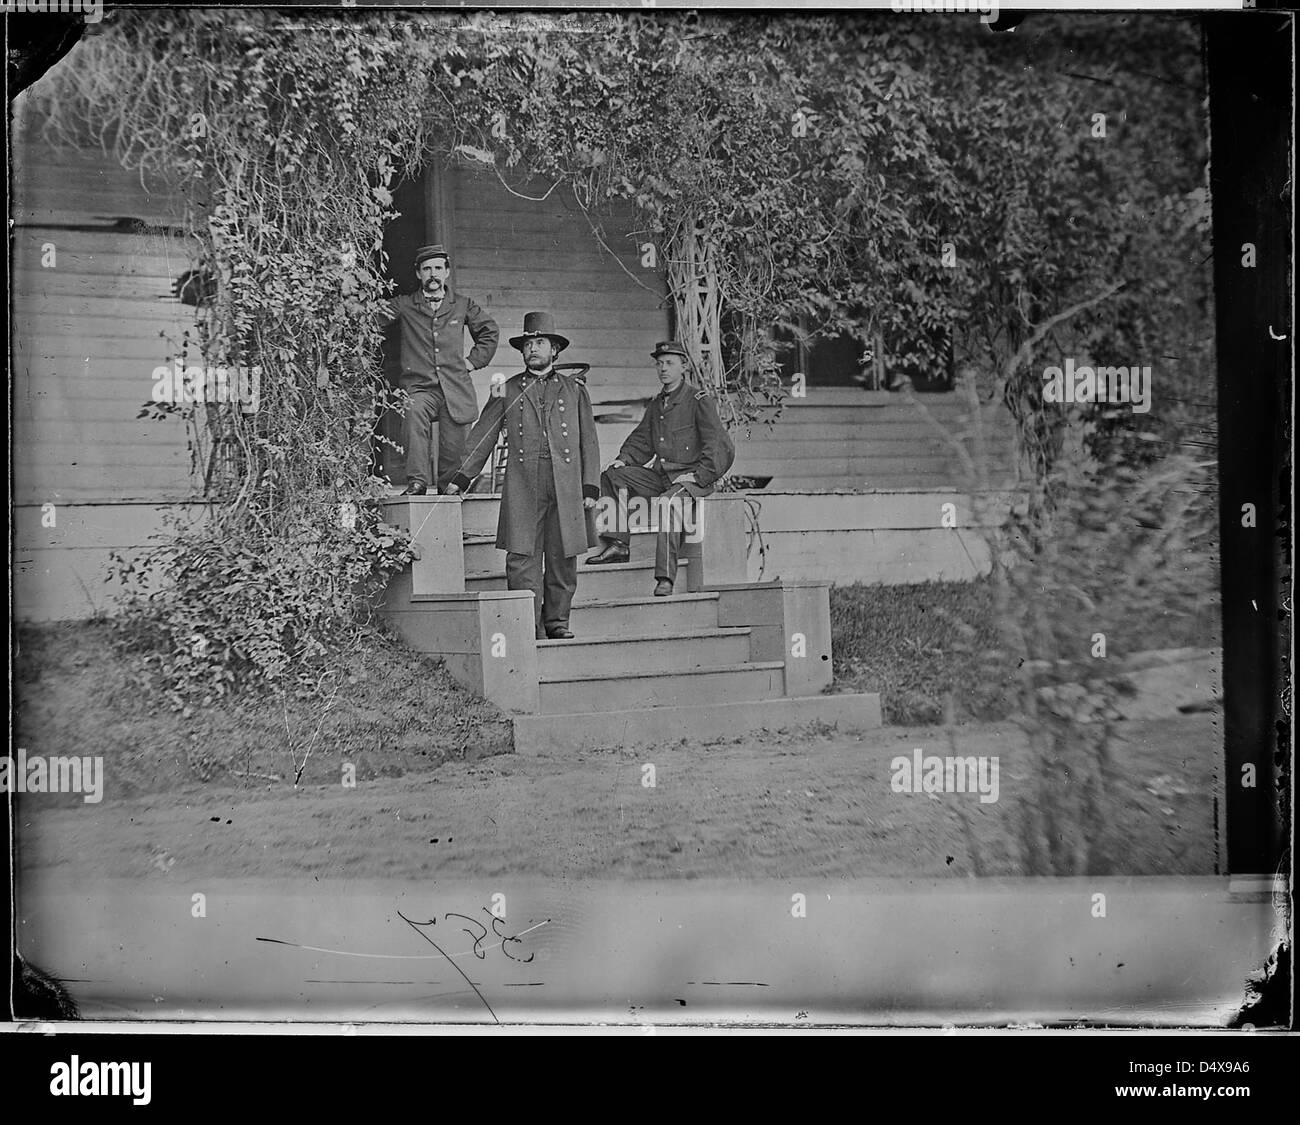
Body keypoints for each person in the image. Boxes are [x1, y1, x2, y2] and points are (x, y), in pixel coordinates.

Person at [445, 312, 600, 640]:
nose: (533, 349)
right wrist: (462, 477)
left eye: (540, 342)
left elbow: (589, 440)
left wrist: (590, 485)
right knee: (522, 558)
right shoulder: (507, 388)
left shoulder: (574, 390)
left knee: (562, 557)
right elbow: (484, 433)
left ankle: (557, 622)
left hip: (567, 483)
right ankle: (525, 627)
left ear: (554, 350)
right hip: (523, 482)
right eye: (528, 343)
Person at [587, 341, 735, 595]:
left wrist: (700, 475)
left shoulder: (699, 400)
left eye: (670, 363)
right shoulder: (657, 404)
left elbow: (720, 445)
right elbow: (643, 439)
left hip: (692, 480)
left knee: (668, 503)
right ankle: (619, 543)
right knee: (612, 475)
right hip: (663, 476)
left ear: (684, 366)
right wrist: (624, 459)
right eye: (659, 363)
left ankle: (665, 577)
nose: (663, 368)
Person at [377, 244, 499, 495]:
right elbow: (372, 318)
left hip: (454, 387)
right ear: (418, 274)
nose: (432, 274)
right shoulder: (405, 304)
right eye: (426, 269)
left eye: (437, 268)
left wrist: (471, 362)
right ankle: (417, 482)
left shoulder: (462, 305)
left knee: (454, 448)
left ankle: (449, 491)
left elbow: (490, 332)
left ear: (446, 272)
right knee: (413, 413)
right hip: (420, 387)